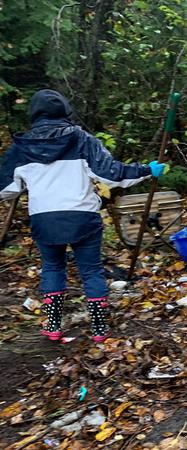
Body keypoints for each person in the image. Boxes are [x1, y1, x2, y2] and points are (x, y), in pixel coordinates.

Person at [0, 89, 166, 342]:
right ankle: (99, 329)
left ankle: (53, 326)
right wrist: (146, 170)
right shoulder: (81, 139)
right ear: (65, 111)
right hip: (82, 216)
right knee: (91, 271)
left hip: (45, 219)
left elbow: (5, 190)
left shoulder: (22, 147)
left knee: (53, 267)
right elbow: (110, 173)